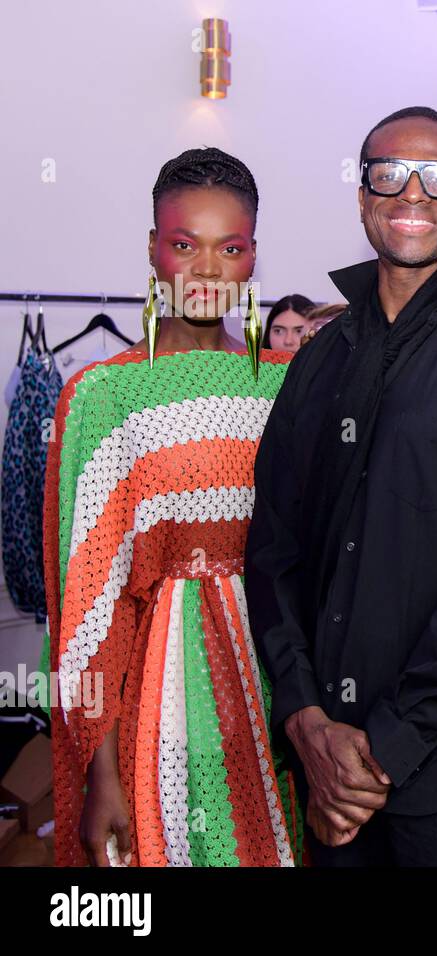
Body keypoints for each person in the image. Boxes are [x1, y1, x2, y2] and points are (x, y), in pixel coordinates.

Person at [245, 106, 437, 867]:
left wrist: (382, 744)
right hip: (323, 771)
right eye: (389, 174)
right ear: (362, 197)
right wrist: (306, 719)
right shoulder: (317, 361)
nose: (412, 192)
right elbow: (273, 548)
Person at [44, 147, 301, 866]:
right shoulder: (105, 394)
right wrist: (100, 772)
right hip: (162, 697)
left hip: (282, 692)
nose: (208, 269)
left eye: (232, 247)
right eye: (185, 244)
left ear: (254, 256)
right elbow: (88, 603)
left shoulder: (289, 385)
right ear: (153, 251)